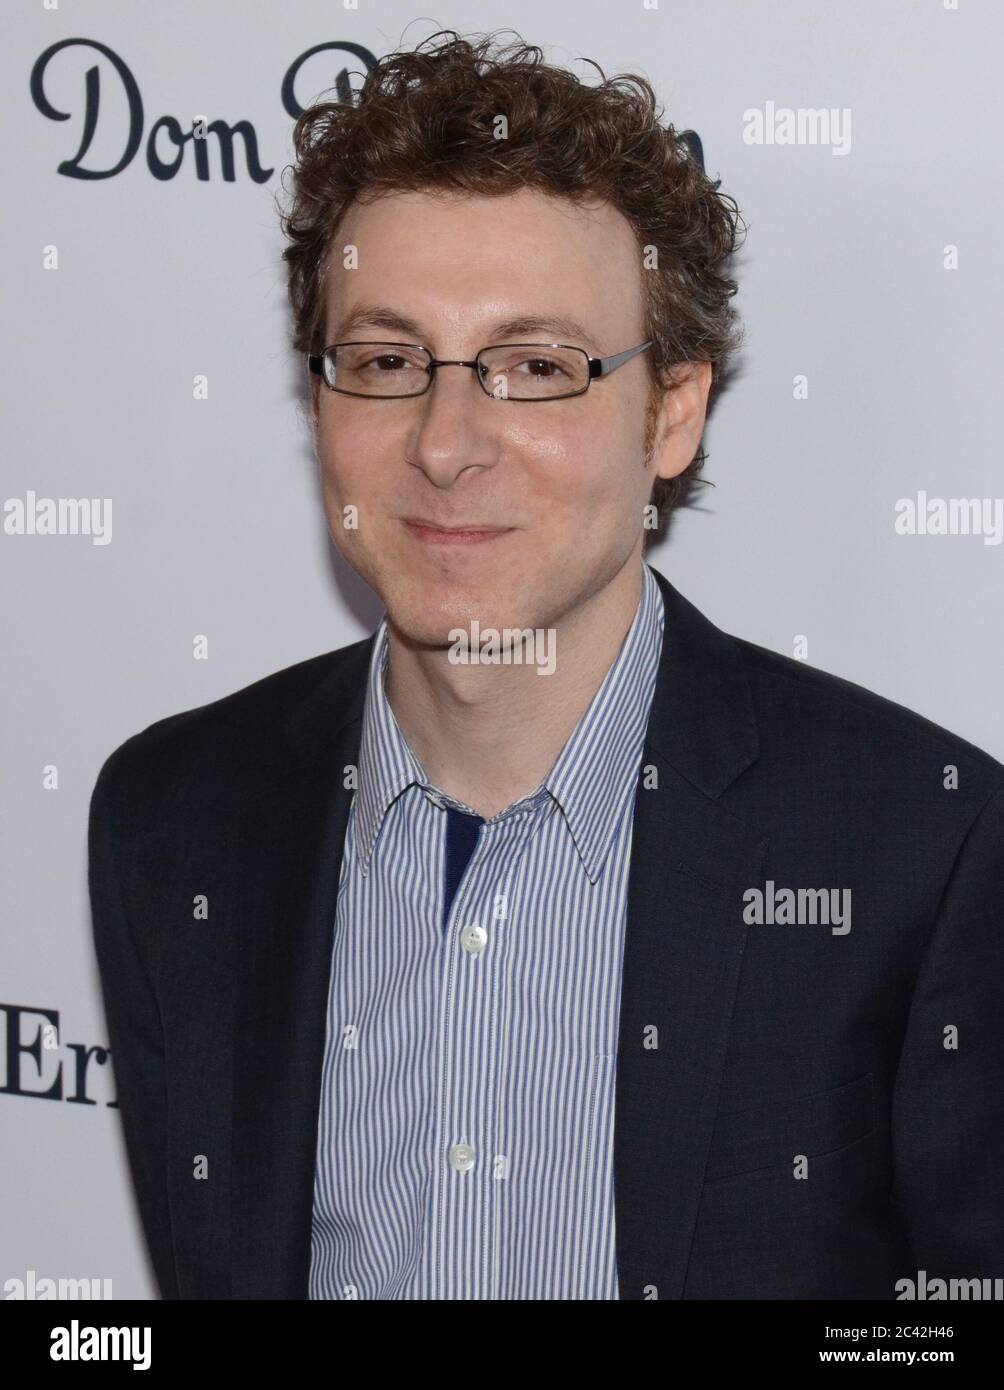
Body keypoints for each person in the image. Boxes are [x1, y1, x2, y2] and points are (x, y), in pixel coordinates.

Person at [89, 29, 1004, 1300]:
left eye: (535, 367)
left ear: (670, 412)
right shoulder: (173, 815)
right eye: (387, 361)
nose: (447, 443)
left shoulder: (921, 843)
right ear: (321, 405)